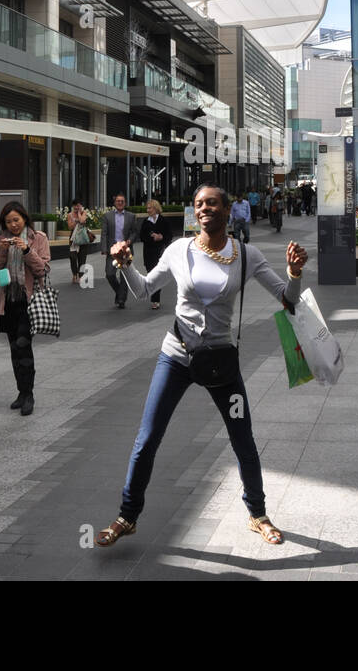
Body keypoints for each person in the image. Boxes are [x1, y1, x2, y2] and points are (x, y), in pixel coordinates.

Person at [94, 185, 308, 548]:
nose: (204, 208)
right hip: (176, 354)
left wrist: (294, 273)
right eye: (198, 204)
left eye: (211, 203)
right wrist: (125, 263)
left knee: (243, 439)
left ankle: (258, 514)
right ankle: (127, 516)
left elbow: (288, 301)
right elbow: (144, 290)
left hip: (220, 361)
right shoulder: (180, 250)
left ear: (227, 209)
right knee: (147, 439)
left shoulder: (247, 254)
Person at [0, 201, 51, 415]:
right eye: (8, 221)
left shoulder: (37, 238)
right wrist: (3, 253)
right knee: (14, 349)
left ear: (24, 218)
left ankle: (29, 394)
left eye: (16, 219)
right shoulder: (0, 240)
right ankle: (21, 392)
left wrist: (27, 251)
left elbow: (43, 270)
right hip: (8, 300)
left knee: (24, 346)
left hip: (28, 301)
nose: (13, 224)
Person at [103, 193, 140, 309]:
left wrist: (129, 241)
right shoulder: (107, 216)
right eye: (118, 201)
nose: (120, 203)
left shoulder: (131, 216)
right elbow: (104, 233)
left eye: (122, 201)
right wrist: (104, 249)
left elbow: (135, 232)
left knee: (124, 277)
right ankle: (120, 293)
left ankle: (121, 300)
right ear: (114, 203)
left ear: (125, 203)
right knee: (109, 274)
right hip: (112, 250)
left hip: (126, 250)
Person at [138, 199, 174, 310]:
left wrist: (161, 237)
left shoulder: (163, 221)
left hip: (160, 253)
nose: (148, 210)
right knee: (150, 276)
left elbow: (169, 235)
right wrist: (151, 237)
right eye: (147, 208)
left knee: (157, 276)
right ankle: (154, 297)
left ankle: (155, 299)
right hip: (149, 253)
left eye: (150, 208)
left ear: (156, 208)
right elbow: (142, 237)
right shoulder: (145, 222)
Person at [66, 200, 91, 285]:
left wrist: (80, 213)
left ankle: (80, 276)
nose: (77, 207)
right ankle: (74, 273)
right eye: (75, 206)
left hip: (83, 238)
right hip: (73, 238)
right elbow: (70, 226)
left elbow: (82, 221)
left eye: (78, 205)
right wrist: (76, 221)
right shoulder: (69, 215)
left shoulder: (84, 213)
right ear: (73, 206)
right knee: (72, 257)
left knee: (82, 258)